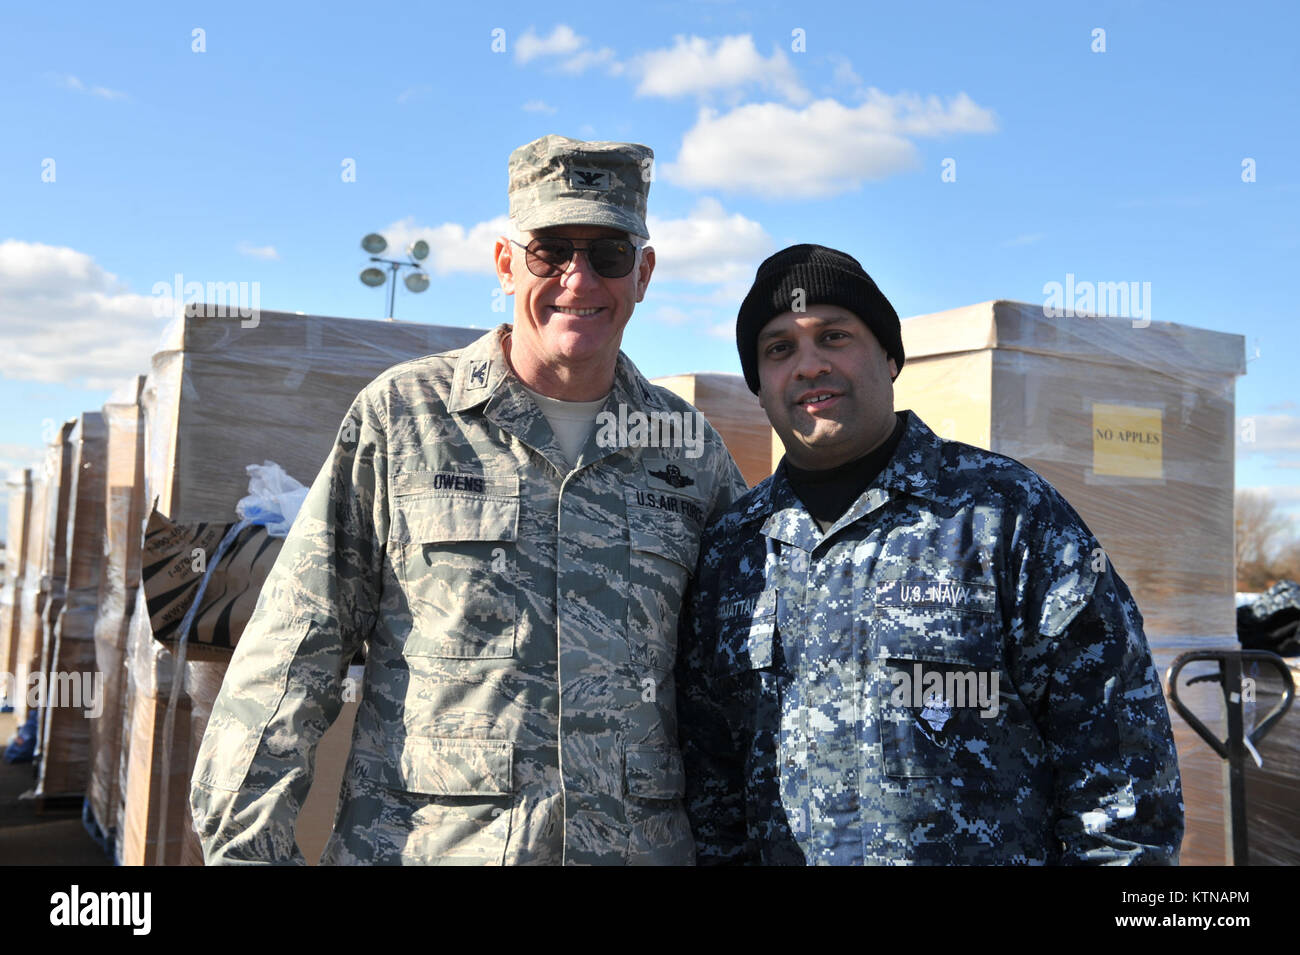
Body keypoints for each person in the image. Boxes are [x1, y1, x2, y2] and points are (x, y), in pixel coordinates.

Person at [191, 135, 747, 865]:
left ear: (642, 273)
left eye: (608, 253)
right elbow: (294, 650)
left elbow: (735, 683)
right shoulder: (403, 418)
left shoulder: (688, 449)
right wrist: (248, 850)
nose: (579, 280)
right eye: (550, 250)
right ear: (505, 262)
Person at [677, 243, 1184, 865]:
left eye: (833, 336)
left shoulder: (1004, 515)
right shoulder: (733, 551)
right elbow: (712, 787)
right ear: (759, 386)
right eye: (779, 348)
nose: (808, 365)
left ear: (889, 357)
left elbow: (1119, 767)